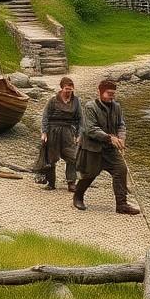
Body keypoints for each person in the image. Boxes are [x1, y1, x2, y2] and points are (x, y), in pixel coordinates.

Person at [73, 79, 139, 215]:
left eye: (113, 93)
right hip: (92, 149)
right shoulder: (90, 107)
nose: (112, 96)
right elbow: (90, 129)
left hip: (110, 150)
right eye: (109, 93)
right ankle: (78, 197)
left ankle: (122, 205)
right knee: (89, 175)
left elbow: (121, 124)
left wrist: (121, 138)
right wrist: (110, 138)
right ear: (100, 92)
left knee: (121, 170)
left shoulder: (117, 107)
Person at [35, 77, 81, 192]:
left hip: (68, 132)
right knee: (51, 158)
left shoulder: (76, 101)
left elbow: (80, 119)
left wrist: (79, 134)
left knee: (73, 157)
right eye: (66, 89)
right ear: (62, 88)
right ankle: (51, 183)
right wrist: (44, 132)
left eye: (70, 89)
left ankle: (71, 183)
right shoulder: (53, 100)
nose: (68, 91)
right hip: (53, 131)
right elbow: (45, 117)